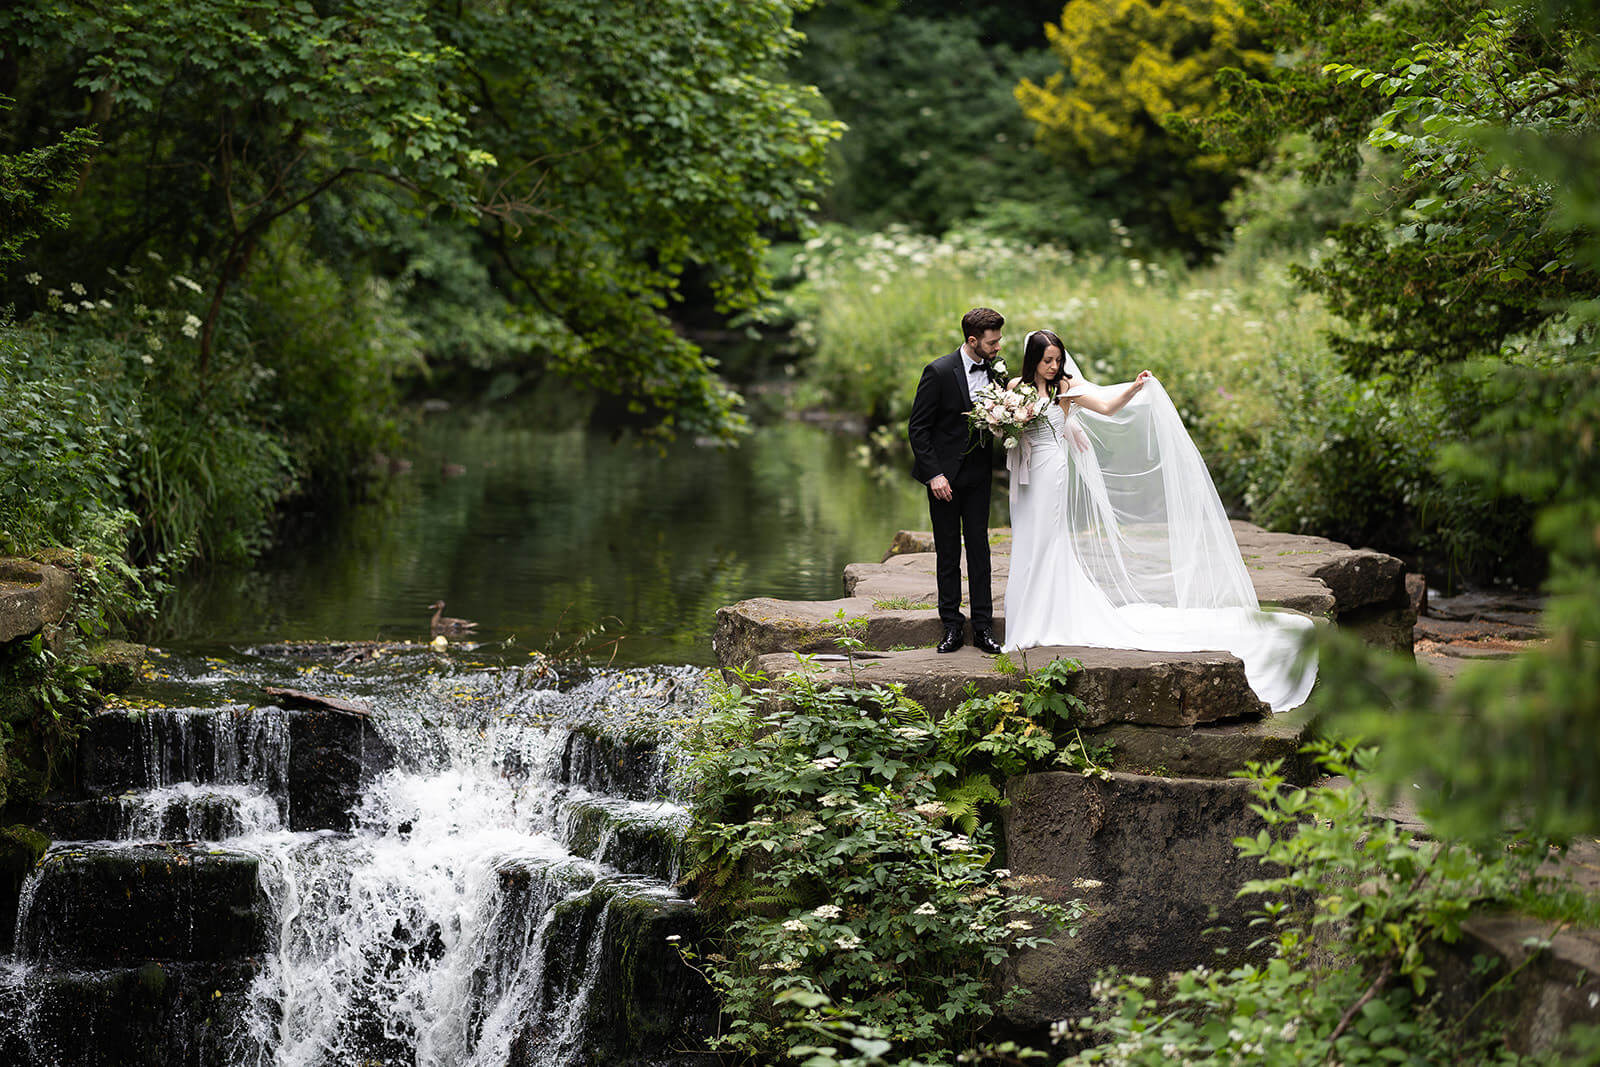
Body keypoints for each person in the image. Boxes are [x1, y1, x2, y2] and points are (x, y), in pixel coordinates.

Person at [1001, 329, 1317, 710]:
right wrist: (1002, 422)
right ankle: (1026, 616)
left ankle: (1046, 617)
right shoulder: (1015, 388)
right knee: (1027, 539)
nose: (1053, 366)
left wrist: (1134, 389)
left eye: (1057, 359)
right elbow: (1007, 426)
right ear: (1033, 360)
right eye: (1047, 360)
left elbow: (1106, 407)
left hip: (1053, 472)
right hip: (1027, 475)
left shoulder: (1065, 389)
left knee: (1050, 539)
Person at [907, 307, 1007, 654]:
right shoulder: (938, 371)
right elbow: (918, 429)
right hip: (944, 480)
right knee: (948, 553)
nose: (997, 347)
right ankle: (951, 626)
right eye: (992, 342)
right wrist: (934, 475)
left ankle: (983, 628)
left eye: (999, 341)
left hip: (979, 477)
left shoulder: (997, 371)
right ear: (972, 340)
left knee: (980, 551)